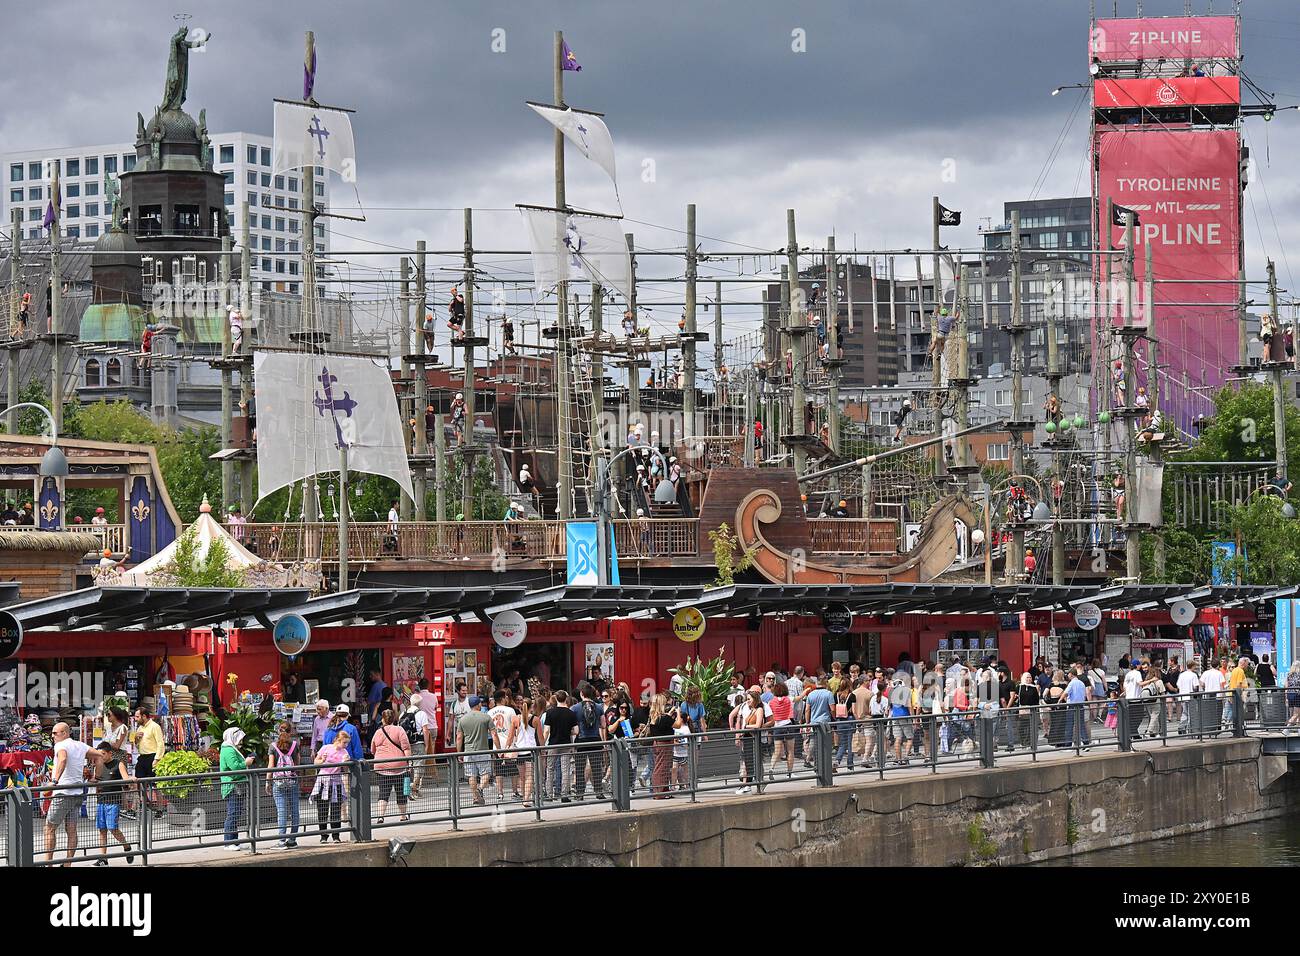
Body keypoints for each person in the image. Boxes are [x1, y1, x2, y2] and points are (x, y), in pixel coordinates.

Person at [43, 723, 111, 865]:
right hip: (78, 792)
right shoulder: (80, 745)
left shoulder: (60, 745)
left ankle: (47, 863)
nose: (53, 736)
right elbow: (100, 756)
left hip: (63, 792)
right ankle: (68, 864)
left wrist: (54, 781)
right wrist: (96, 778)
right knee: (72, 829)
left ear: (64, 733)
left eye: (55, 733)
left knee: (49, 828)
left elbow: (62, 759)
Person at [92, 741, 134, 865]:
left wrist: (131, 779)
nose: (101, 757)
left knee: (113, 828)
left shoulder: (118, 764)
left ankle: (127, 847)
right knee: (102, 830)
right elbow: (95, 781)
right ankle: (103, 859)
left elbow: (125, 778)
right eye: (98, 754)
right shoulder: (98, 766)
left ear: (110, 753)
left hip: (113, 801)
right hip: (101, 801)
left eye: (103, 754)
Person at [370, 709, 412, 824]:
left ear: (382, 719)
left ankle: (380, 816)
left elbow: (372, 749)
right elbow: (406, 748)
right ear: (394, 718)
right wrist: (409, 764)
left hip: (381, 767)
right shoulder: (399, 730)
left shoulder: (378, 732)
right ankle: (403, 816)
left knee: (383, 793)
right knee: (401, 792)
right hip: (399, 767)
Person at [311, 728, 351, 843]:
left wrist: (346, 763)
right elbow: (315, 762)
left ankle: (336, 836)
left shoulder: (345, 752)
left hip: (336, 782)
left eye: (347, 743)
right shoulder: (326, 748)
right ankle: (323, 836)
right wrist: (322, 760)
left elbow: (345, 768)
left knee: (336, 810)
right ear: (338, 740)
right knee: (322, 809)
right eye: (344, 742)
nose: (346, 745)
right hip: (323, 781)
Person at [220, 727, 256, 850]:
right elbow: (235, 768)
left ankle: (233, 841)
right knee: (233, 814)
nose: (241, 741)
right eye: (239, 739)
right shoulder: (228, 750)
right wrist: (246, 763)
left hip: (236, 786)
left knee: (235, 813)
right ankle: (228, 842)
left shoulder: (230, 748)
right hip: (232, 787)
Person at [267, 721, 302, 848]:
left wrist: (268, 782)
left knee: (281, 811)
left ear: (278, 731)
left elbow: (271, 766)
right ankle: (292, 840)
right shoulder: (295, 745)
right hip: (292, 781)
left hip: (279, 782)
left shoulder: (273, 746)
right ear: (290, 731)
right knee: (295, 811)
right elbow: (297, 764)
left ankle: (281, 841)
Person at [456, 695, 493, 806]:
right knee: (486, 773)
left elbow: (459, 737)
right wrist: (498, 749)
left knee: (471, 775)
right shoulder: (486, 717)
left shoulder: (463, 719)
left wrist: (459, 753)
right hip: (483, 750)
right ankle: (480, 789)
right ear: (478, 705)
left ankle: (475, 797)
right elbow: (494, 734)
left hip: (468, 751)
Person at [572, 683, 607, 800]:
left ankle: (580, 794)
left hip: (581, 740)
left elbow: (573, 727)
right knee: (597, 767)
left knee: (580, 768)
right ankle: (599, 792)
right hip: (595, 739)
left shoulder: (575, 708)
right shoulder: (599, 707)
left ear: (581, 694)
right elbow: (603, 725)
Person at [543, 689, 578, 801]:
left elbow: (547, 730)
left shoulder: (550, 713)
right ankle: (564, 795)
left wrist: (542, 744)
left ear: (556, 699)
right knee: (565, 769)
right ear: (566, 699)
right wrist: (568, 731)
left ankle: (549, 795)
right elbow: (576, 731)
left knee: (550, 769)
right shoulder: (571, 713)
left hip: (553, 743)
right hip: (566, 743)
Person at [131, 706, 166, 817]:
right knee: (138, 782)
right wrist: (136, 738)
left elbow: (160, 744)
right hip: (142, 757)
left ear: (144, 716)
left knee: (156, 785)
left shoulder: (155, 726)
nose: (135, 719)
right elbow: (136, 744)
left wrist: (157, 759)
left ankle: (159, 809)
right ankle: (141, 806)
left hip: (153, 756)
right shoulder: (139, 728)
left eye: (137, 716)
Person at [506, 695, 541, 803]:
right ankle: (526, 799)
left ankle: (523, 797)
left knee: (522, 777)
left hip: (519, 750)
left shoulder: (515, 719)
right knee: (530, 776)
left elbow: (511, 736)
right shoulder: (535, 719)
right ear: (532, 707)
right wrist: (543, 748)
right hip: (531, 750)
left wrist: (506, 748)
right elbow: (540, 737)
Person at [486, 690, 519, 801]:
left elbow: (489, 730)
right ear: (503, 698)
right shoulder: (511, 710)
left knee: (498, 770)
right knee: (514, 769)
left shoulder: (490, 712)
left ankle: (500, 793)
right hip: (510, 744)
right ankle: (515, 792)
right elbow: (515, 726)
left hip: (497, 744)